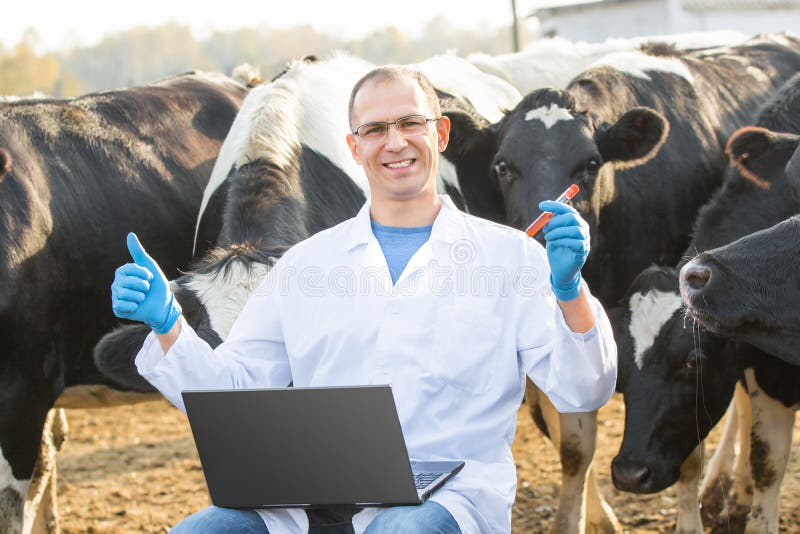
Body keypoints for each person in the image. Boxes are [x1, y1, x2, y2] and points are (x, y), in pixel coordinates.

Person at [111, 65, 617, 534]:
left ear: (440, 134)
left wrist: (569, 293)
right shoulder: (304, 267)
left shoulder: (512, 260)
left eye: (410, 123)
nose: (394, 143)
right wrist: (170, 325)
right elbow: (237, 388)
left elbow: (582, 391)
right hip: (310, 498)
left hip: (446, 500)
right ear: (353, 147)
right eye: (375, 130)